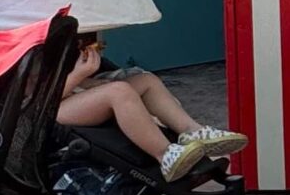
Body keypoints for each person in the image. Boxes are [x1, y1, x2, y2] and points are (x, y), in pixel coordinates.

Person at [57, 35, 249, 181]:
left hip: (73, 92)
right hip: (48, 110)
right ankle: (164, 154)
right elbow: (40, 99)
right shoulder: (31, 43)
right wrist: (79, 74)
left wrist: (88, 77)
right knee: (119, 91)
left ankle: (191, 130)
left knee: (146, 81)